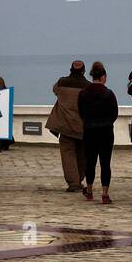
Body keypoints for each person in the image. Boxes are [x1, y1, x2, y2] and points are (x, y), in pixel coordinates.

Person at [78, 61, 118, 205]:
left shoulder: (83, 93)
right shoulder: (108, 93)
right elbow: (115, 113)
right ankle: (105, 194)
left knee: (90, 162)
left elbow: (81, 112)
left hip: (89, 131)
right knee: (105, 163)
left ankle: (89, 190)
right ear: (103, 77)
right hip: (106, 131)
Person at [46, 60, 90, 191]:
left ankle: (73, 182)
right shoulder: (88, 86)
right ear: (84, 71)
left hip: (64, 126)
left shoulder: (61, 83)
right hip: (82, 126)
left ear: (71, 70)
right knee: (82, 154)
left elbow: (54, 90)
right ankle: (79, 178)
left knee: (67, 155)